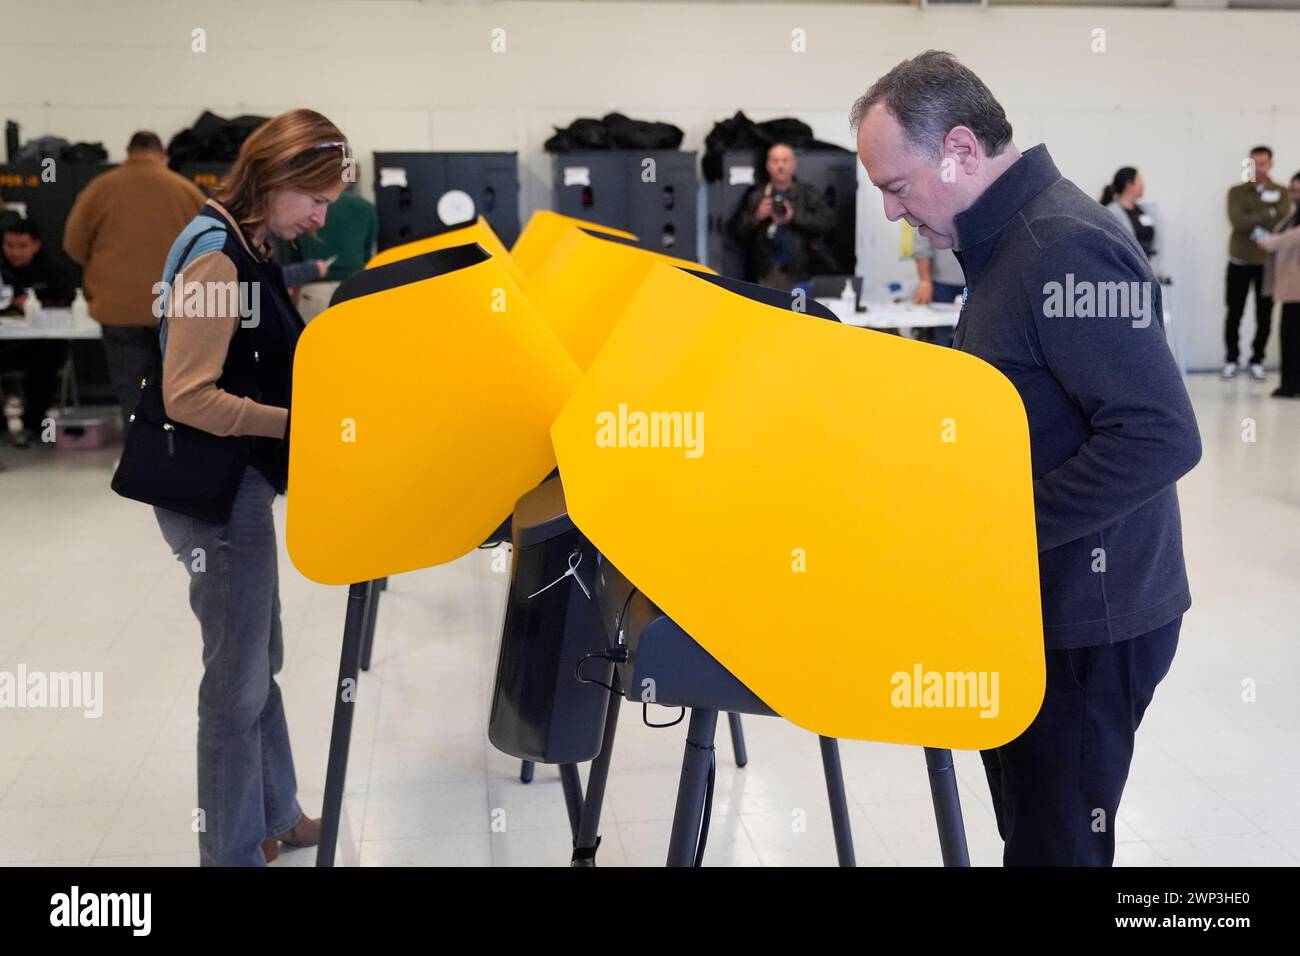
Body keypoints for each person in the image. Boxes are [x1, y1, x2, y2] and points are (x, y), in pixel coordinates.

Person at [852, 50, 1201, 866]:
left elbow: (1159, 434)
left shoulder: (1059, 246)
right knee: (1034, 837)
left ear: (962, 151)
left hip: (1089, 620)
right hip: (1034, 606)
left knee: (1057, 850)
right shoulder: (1005, 244)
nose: (893, 214)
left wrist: (993, 526)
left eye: (896, 187)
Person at [151, 108, 349, 866]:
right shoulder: (215, 259)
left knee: (256, 663)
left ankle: (277, 814)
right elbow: (187, 396)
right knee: (233, 686)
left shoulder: (247, 242)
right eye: (316, 199)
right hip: (215, 497)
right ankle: (229, 851)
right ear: (276, 179)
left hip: (237, 489)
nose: (322, 216)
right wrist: (297, 423)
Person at [63, 131, 206, 419]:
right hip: (175, 307)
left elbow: (73, 244)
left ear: (128, 152)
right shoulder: (185, 189)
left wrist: (102, 274)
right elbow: (210, 245)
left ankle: (139, 455)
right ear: (161, 153)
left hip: (118, 308)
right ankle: (177, 454)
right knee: (181, 392)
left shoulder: (99, 188)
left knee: (133, 392)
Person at [0, 218, 73, 446]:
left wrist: (35, 304)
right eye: (9, 245)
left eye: (22, 246)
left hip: (42, 341)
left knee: (45, 361)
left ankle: (33, 423)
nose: (14, 252)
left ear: (35, 245)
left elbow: (67, 297)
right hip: (6, 343)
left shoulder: (51, 268)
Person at [1223, 145, 1292, 380]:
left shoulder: (1282, 192)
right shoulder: (1236, 192)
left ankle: (1257, 359)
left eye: (1262, 164)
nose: (1258, 168)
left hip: (1267, 263)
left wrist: (1256, 216)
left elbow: (1283, 219)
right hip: (1239, 260)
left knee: (1264, 314)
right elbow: (1238, 222)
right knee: (1234, 312)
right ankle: (1231, 359)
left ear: (1270, 164)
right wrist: (1268, 213)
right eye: (1253, 163)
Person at [731, 142, 836, 290]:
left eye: (785, 161)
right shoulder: (757, 196)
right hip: (766, 274)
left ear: (794, 164)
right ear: (768, 165)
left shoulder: (808, 194)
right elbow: (738, 232)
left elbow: (827, 223)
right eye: (775, 161)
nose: (780, 166)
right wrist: (757, 216)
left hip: (802, 274)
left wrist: (793, 218)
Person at [291, 173, 377, 321]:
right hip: (356, 290)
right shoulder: (366, 207)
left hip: (314, 290)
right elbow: (368, 253)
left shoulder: (305, 206)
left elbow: (294, 254)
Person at [1257, 171, 1300, 398]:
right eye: (1293, 190)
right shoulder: (1292, 216)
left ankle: (1292, 385)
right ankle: (1289, 384)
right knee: (1289, 338)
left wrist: (1271, 242)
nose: (1296, 195)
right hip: (1290, 289)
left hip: (1296, 288)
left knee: (1293, 338)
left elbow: (1291, 238)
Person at [1101, 166, 1165, 279]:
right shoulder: (1112, 213)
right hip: (1125, 277)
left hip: (1149, 273)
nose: (1143, 185)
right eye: (1140, 181)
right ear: (1129, 184)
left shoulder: (1146, 210)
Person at [911, 227, 962, 347]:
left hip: (976, 282)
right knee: (941, 335)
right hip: (941, 285)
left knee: (976, 333)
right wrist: (925, 282)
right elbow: (921, 247)